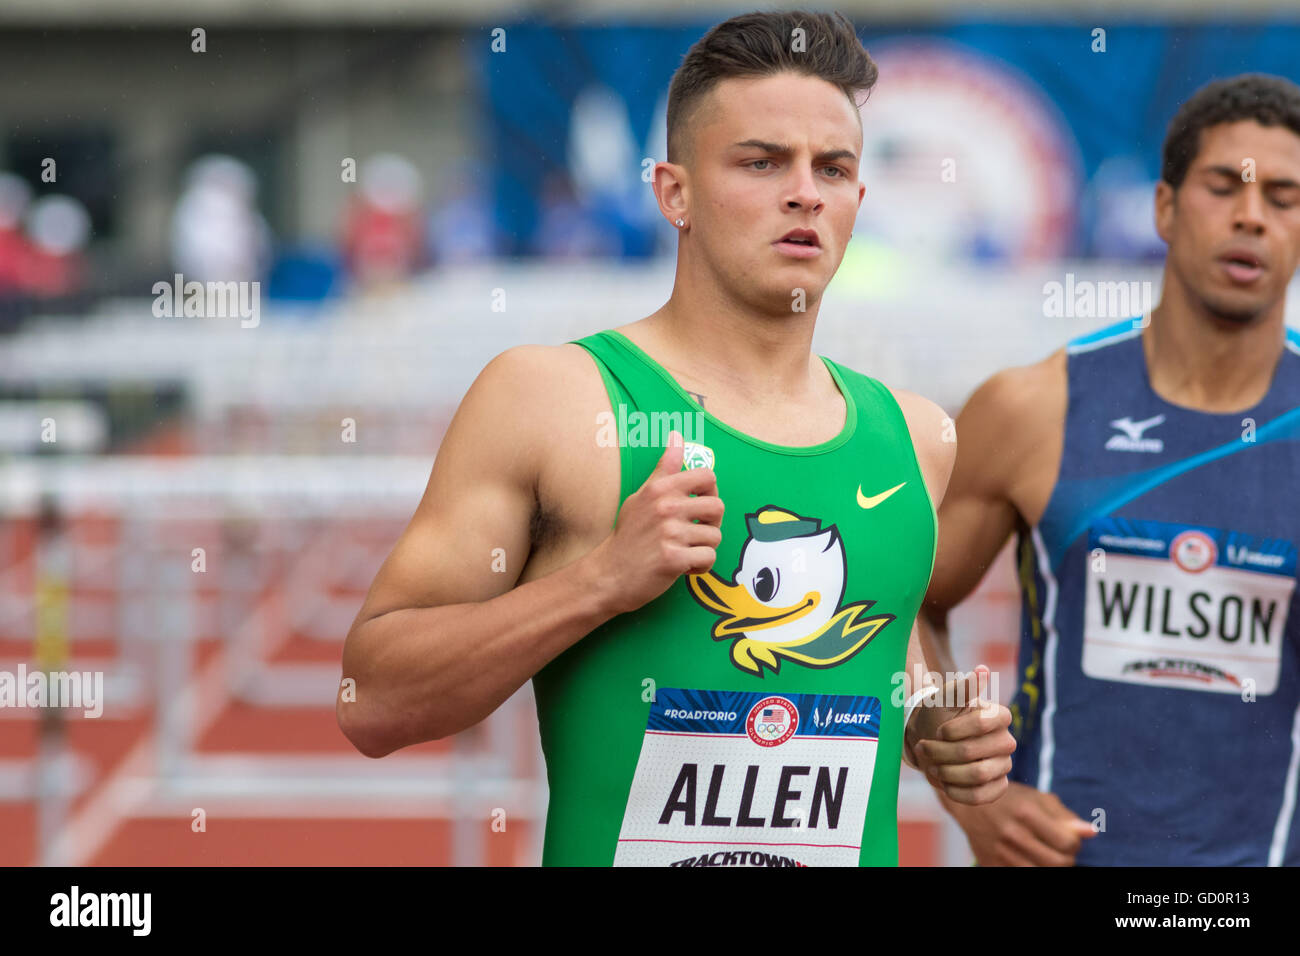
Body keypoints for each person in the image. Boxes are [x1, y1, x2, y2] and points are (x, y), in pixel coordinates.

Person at [339, 10, 1014, 867]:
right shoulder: (554, 399)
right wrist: (600, 584)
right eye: (761, 162)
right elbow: (370, 702)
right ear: (674, 193)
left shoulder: (914, 437)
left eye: (831, 168)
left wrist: (935, 723)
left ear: (857, 202)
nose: (804, 192)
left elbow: (878, 661)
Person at [920, 73, 1300, 866]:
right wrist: (966, 789)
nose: (1251, 216)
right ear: (1164, 207)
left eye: (1285, 198)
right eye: (1224, 186)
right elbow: (901, 607)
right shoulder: (1034, 408)